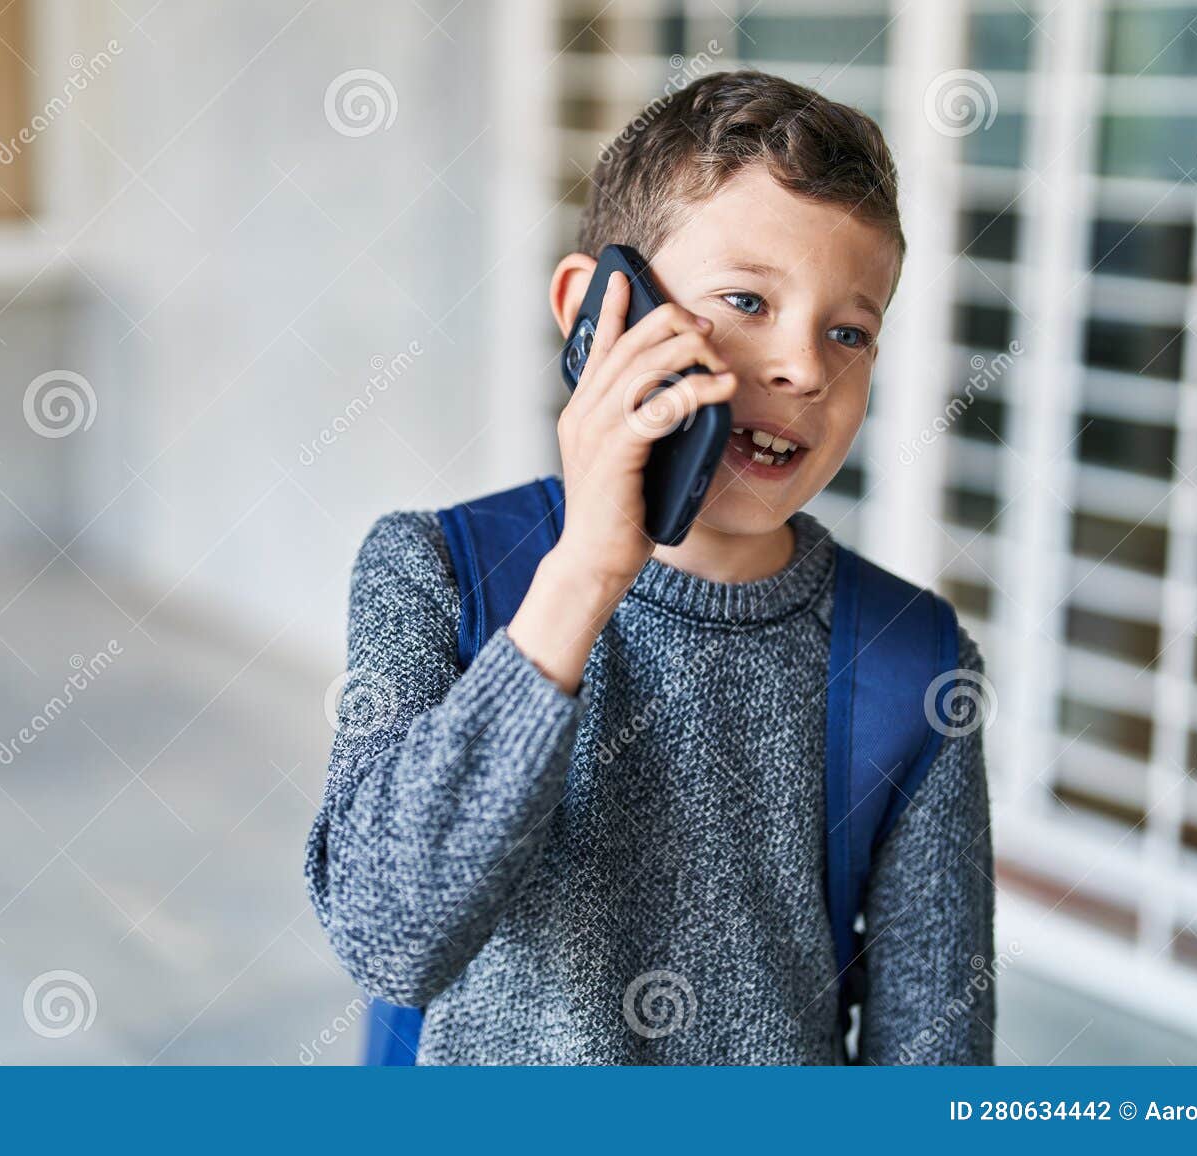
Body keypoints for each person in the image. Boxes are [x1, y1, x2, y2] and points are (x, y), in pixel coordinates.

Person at [304, 69, 995, 1065]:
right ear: (597, 310)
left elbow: (935, 1050)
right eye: (747, 300)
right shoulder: (434, 574)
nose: (804, 367)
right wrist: (584, 573)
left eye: (848, 331)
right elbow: (386, 937)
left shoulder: (915, 662)